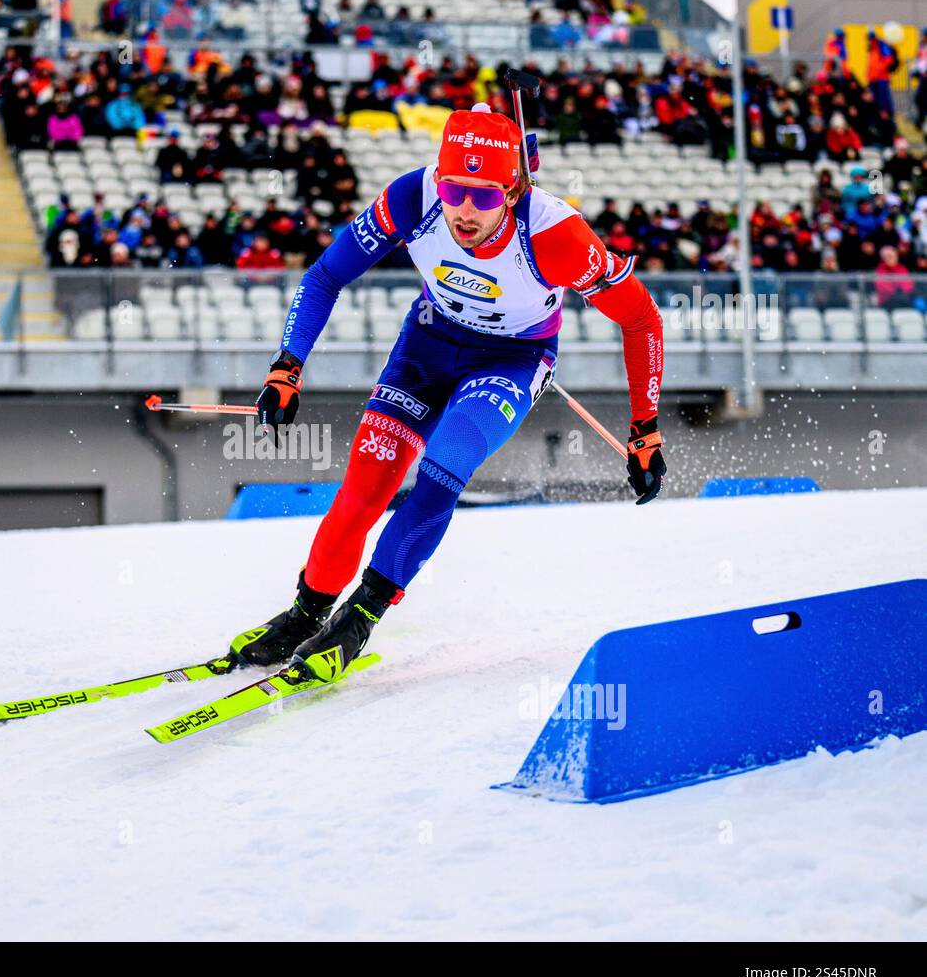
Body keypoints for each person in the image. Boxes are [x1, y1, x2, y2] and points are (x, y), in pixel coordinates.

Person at [226, 102, 667, 683]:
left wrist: (645, 427)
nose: (464, 209)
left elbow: (641, 318)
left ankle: (358, 619)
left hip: (512, 361)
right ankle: (305, 614)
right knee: (362, 489)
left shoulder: (558, 235)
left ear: (511, 192)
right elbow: (325, 275)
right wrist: (288, 366)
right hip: (427, 347)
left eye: (483, 196)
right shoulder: (413, 198)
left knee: (442, 468)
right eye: (455, 188)